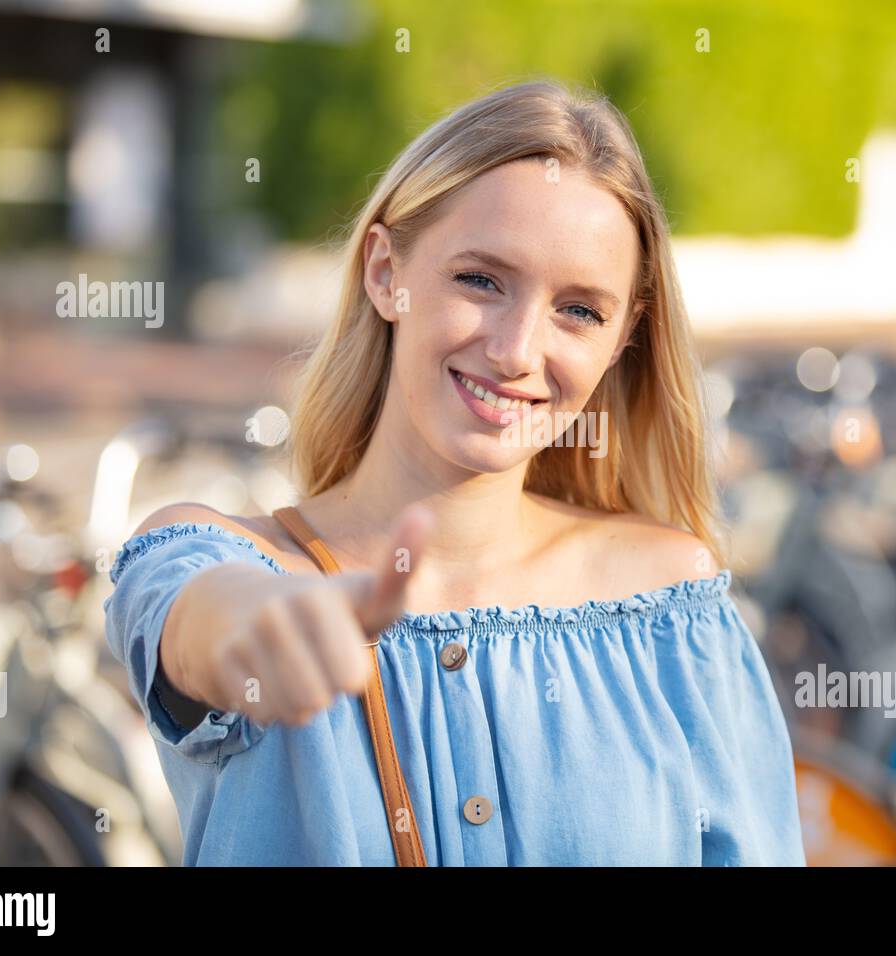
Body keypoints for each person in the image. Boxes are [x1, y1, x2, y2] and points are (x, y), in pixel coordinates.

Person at [103, 78, 805, 866]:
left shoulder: (671, 601)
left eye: (579, 311)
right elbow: (199, 624)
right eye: (481, 280)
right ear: (384, 272)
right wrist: (257, 629)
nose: (515, 351)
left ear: (624, 338)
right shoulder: (222, 559)